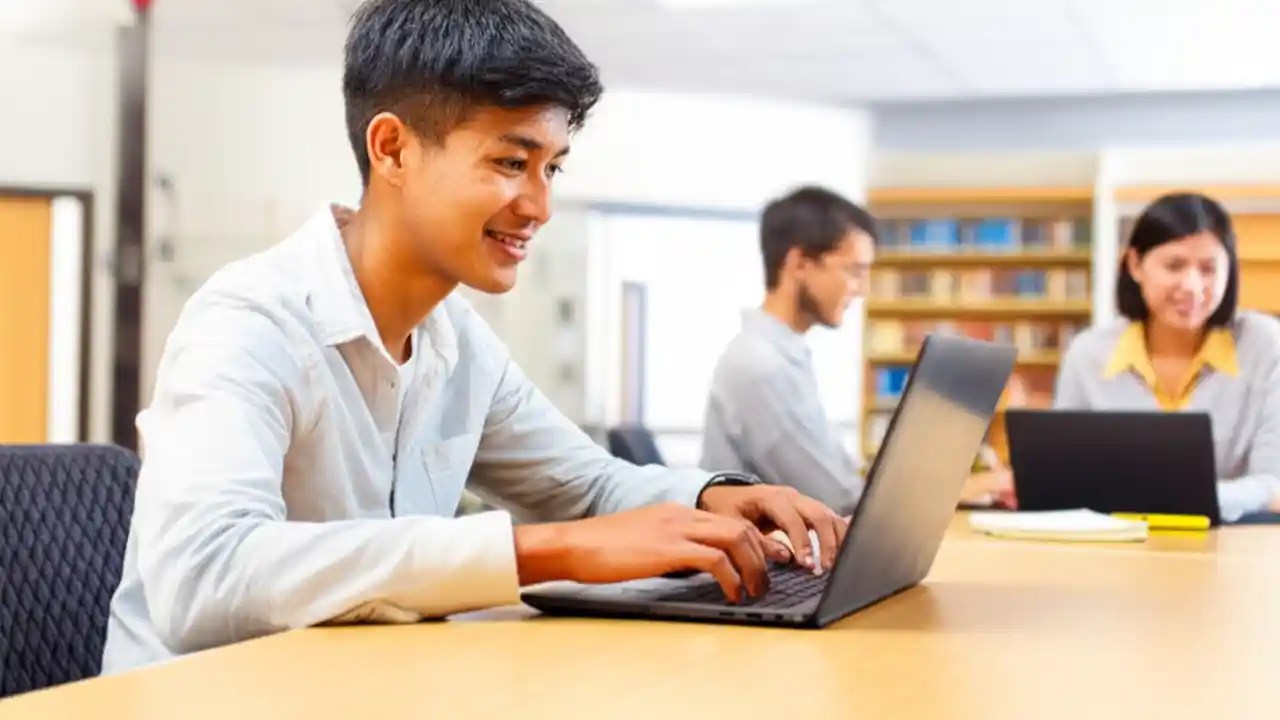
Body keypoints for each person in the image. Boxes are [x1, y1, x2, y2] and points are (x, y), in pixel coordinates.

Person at [102, 0, 846, 674]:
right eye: (511, 163)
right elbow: (201, 578)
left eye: (550, 168)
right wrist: (537, 552)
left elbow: (585, 488)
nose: (540, 205)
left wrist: (715, 497)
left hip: (358, 688)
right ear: (392, 149)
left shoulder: (456, 339)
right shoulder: (248, 322)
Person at [699, 186, 1014, 516]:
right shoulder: (761, 366)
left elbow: (838, 481)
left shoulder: (781, 355)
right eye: (854, 271)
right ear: (799, 263)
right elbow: (836, 499)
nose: (862, 290)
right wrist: (965, 488)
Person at [1054, 192, 1280, 522]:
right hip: (1115, 548)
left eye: (1208, 269)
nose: (1192, 285)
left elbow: (1273, 484)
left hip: (1233, 548)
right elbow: (1064, 474)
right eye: (1174, 265)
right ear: (1135, 264)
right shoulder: (1087, 354)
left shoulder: (1267, 345)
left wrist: (1175, 497)